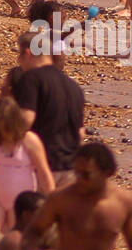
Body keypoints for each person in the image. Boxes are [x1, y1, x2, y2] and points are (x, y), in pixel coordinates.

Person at [0, 97, 54, 230]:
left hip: (21, 201)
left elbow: (43, 172)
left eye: (6, 128)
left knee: (15, 236)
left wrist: (52, 203)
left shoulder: (30, 140)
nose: (4, 133)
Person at [12, 27, 85, 181]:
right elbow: (80, 134)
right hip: (70, 169)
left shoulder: (31, 79)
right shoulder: (73, 86)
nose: (19, 61)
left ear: (27, 53)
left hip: (42, 166)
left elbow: (26, 119)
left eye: (19, 55)